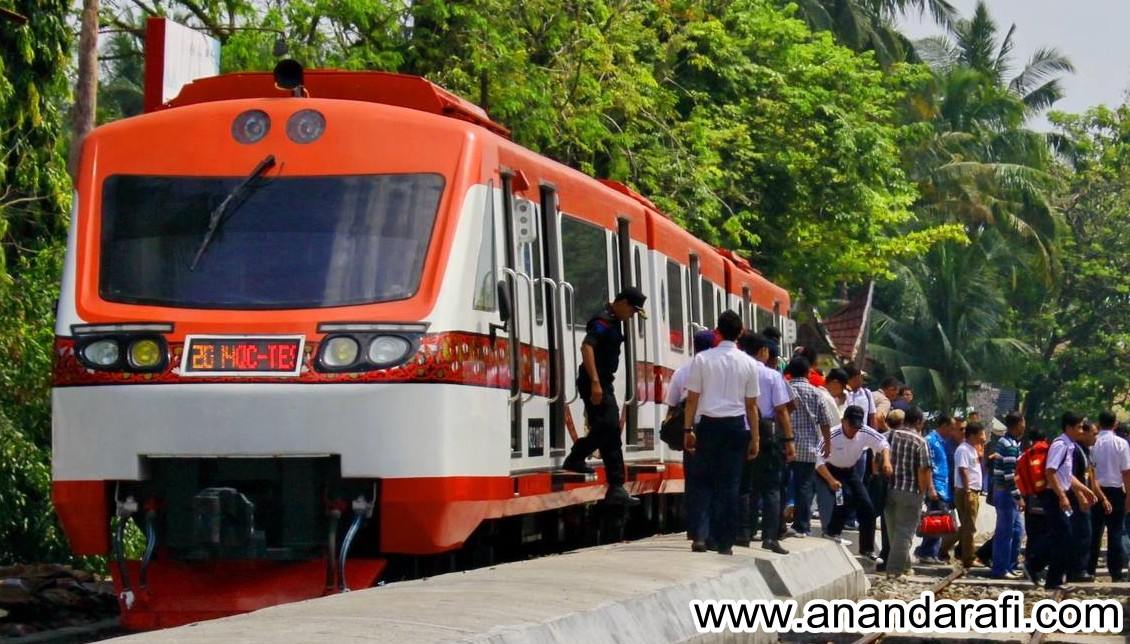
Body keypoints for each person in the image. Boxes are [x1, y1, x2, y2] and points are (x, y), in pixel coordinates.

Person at [683, 310, 761, 555]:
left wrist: (688, 429)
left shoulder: (702, 359)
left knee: (704, 482)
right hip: (736, 428)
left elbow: (692, 399)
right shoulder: (749, 363)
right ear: (740, 333)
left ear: (717, 331)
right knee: (730, 485)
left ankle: (701, 536)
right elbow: (751, 406)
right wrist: (755, 438)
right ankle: (725, 542)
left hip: (708, 426)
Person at [562, 286, 647, 505]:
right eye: (632, 311)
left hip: (602, 381)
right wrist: (595, 382)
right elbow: (587, 347)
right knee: (609, 426)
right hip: (595, 381)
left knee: (607, 429)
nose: (632, 316)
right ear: (623, 303)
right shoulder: (603, 320)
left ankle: (609, 481)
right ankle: (612, 482)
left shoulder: (614, 320)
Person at [665, 330, 718, 544]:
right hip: (712, 427)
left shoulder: (682, 372)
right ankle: (710, 532)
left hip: (691, 431)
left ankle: (695, 530)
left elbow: (671, 405)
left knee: (694, 481)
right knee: (713, 482)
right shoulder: (716, 370)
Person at [815, 405, 891, 554]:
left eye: (857, 427)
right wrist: (831, 480)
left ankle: (867, 549)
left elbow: (883, 443)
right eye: (851, 426)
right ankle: (832, 531)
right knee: (845, 498)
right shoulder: (832, 435)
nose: (853, 430)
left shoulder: (863, 431)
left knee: (867, 506)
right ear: (843, 421)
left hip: (850, 470)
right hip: (829, 470)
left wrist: (887, 461)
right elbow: (817, 460)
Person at [1042, 412, 1098, 591]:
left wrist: (1086, 490)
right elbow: (1050, 472)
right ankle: (1050, 577)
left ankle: (1053, 577)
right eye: (1079, 427)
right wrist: (1063, 496)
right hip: (1055, 496)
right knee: (1063, 537)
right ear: (1068, 428)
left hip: (1060, 495)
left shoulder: (1070, 446)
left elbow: (1068, 476)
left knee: (1064, 537)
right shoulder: (1060, 445)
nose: (1082, 431)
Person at [883, 406, 936, 578]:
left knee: (893, 531)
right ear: (919, 422)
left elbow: (877, 462)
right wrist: (923, 491)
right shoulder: (920, 441)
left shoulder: (888, 436)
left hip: (888, 489)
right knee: (905, 532)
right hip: (910, 491)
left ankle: (905, 567)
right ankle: (894, 571)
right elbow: (924, 470)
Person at [785, 356, 832, 539]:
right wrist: (827, 444)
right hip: (808, 447)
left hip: (785, 445)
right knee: (804, 486)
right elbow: (825, 421)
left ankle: (777, 523)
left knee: (780, 484)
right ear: (808, 372)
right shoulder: (816, 393)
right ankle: (802, 526)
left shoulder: (785, 389)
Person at [1088, 410, 1130, 581]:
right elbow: (1126, 472)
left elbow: (1090, 472)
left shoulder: (1093, 443)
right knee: (1115, 534)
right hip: (1116, 491)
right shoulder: (1121, 443)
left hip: (1095, 491)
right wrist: (1129, 495)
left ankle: (1089, 570)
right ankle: (1116, 573)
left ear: (1098, 423)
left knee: (1094, 533)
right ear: (1115, 424)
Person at [990, 412, 1026, 579]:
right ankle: (1000, 568)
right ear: (1018, 424)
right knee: (1005, 532)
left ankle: (1009, 565)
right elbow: (1009, 475)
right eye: (1023, 422)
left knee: (1016, 530)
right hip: (1006, 493)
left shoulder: (1007, 442)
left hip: (1005, 492)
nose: (1024, 426)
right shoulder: (1010, 445)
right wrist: (1018, 496)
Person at [914, 415, 954, 564]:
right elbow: (928, 466)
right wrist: (931, 488)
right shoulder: (931, 441)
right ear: (943, 425)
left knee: (939, 520)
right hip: (936, 487)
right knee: (936, 521)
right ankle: (925, 551)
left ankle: (931, 551)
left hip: (943, 487)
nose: (951, 431)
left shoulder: (942, 442)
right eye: (950, 428)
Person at [950, 422, 985, 569]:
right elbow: (963, 471)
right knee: (969, 527)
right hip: (966, 492)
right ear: (972, 435)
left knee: (966, 526)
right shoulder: (963, 450)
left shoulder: (972, 449)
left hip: (973, 491)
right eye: (981, 434)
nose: (983, 437)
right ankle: (969, 558)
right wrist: (968, 491)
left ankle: (945, 549)